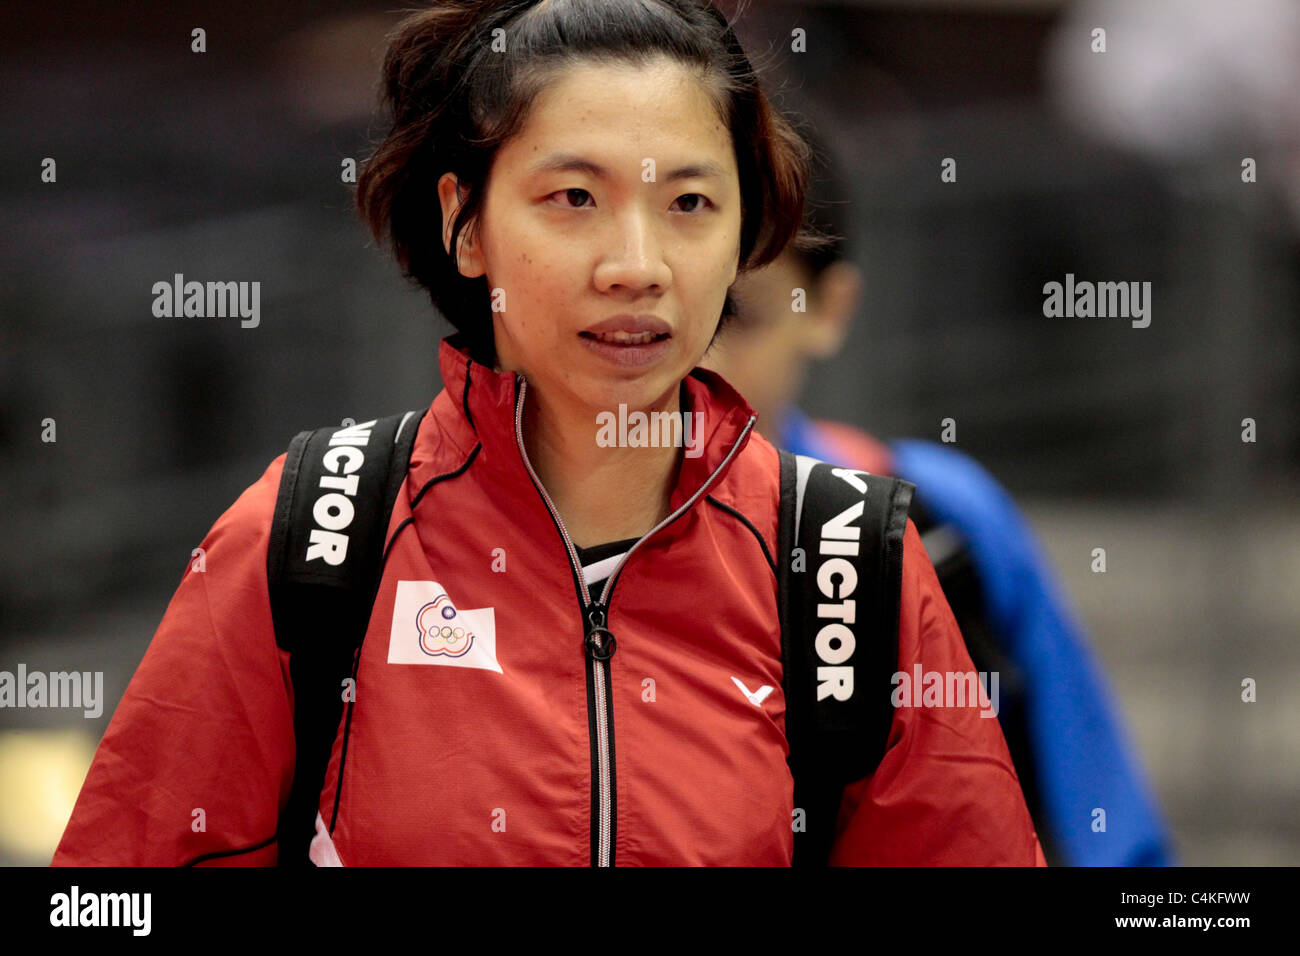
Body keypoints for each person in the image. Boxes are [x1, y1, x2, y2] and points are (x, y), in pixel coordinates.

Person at [51, 0, 1045, 866]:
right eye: (574, 197)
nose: (636, 263)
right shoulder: (311, 534)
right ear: (466, 223)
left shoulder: (849, 560)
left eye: (690, 203)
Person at [700, 128, 1176, 866]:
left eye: (737, 315)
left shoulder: (946, 521)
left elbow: (1109, 836)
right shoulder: (511, 535)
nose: (690, 354)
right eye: (665, 303)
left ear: (830, 308)